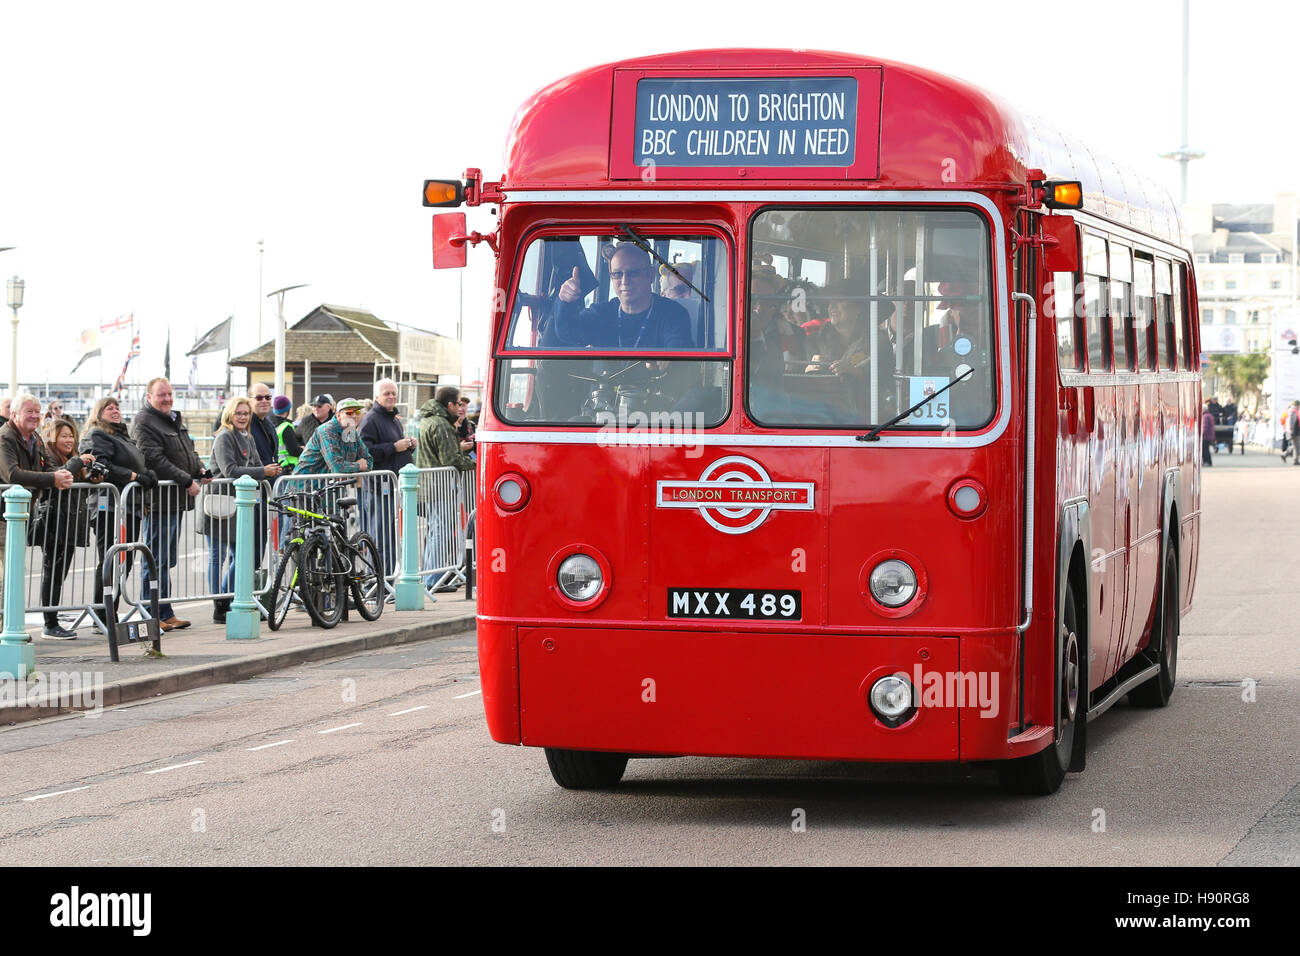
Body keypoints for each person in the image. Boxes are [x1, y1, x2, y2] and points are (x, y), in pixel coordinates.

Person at [131, 377, 207, 631]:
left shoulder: (174, 419)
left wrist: (200, 469)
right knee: (154, 559)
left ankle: (165, 610)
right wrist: (186, 480)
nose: (167, 399)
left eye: (169, 394)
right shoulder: (144, 422)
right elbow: (153, 458)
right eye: (161, 395)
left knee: (167, 559)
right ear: (149, 397)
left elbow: (188, 450)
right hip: (158, 501)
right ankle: (151, 613)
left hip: (175, 502)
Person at [0, 393, 77, 626]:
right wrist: (52, 478)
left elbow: (51, 466)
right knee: (6, 576)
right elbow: (12, 474)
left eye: (37, 411)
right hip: (3, 516)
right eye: (28, 411)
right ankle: (7, 627)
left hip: (19, 516)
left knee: (12, 573)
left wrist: (62, 474)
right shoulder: (5, 438)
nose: (34, 416)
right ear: (14, 414)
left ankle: (8, 624)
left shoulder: (34, 438)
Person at [205, 395, 283, 623]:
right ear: (230, 414)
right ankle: (220, 602)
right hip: (221, 503)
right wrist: (264, 472)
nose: (242, 417)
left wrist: (270, 470)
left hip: (240, 505)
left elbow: (256, 464)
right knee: (218, 556)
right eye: (238, 413)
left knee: (240, 556)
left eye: (245, 413)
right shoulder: (224, 437)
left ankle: (228, 597)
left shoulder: (247, 437)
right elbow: (229, 470)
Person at [81, 395, 156, 615]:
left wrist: (146, 473)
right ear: (99, 413)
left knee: (126, 559)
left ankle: (110, 610)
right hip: (110, 505)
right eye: (109, 408)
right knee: (110, 559)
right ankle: (103, 613)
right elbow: (101, 464)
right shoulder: (98, 435)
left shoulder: (124, 436)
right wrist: (133, 475)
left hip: (130, 505)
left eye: (117, 407)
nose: (115, 411)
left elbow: (135, 461)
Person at [551, 244, 693, 349]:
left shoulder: (673, 314)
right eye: (617, 274)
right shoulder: (601, 313)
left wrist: (668, 361)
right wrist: (565, 302)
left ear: (650, 274)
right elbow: (568, 333)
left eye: (633, 273)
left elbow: (678, 352)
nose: (625, 281)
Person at [37, 418, 103, 638]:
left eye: (71, 435)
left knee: (60, 574)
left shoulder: (69, 459)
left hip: (70, 524)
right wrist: (78, 461)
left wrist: (93, 479)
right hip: (55, 524)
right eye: (64, 435)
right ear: (52, 437)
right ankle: (49, 622)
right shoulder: (48, 456)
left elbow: (79, 484)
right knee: (53, 573)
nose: (69, 439)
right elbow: (59, 476)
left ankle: (52, 617)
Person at [416, 386, 474, 595]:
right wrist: (476, 463)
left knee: (435, 532)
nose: (459, 408)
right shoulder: (441, 425)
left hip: (431, 484)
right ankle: (433, 579)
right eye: (458, 403)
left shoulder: (428, 420)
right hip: (440, 485)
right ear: (449, 404)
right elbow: (451, 459)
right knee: (440, 533)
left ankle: (433, 576)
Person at [359, 378, 416, 578]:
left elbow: (395, 446)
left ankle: (388, 579)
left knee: (391, 537)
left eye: (393, 393)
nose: (391, 396)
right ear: (377, 396)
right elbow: (365, 452)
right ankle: (376, 583)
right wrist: (393, 447)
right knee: (380, 538)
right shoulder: (371, 419)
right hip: (377, 487)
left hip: (392, 487)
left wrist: (408, 445)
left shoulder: (392, 418)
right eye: (386, 393)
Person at [295, 397, 373, 475]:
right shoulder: (327, 430)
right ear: (338, 415)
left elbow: (369, 461)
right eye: (349, 413)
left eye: (357, 412)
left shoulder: (351, 431)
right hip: (307, 484)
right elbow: (337, 466)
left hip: (328, 484)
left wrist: (354, 466)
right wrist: (359, 466)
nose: (355, 416)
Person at [270, 395, 302, 471]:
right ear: (287, 410)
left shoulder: (272, 425)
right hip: (289, 466)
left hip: (278, 466)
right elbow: (293, 451)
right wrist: (302, 449)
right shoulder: (286, 427)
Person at [1201, 400, 1215, 467]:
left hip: (1206, 436)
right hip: (1209, 436)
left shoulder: (1205, 416)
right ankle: (1209, 462)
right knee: (1206, 449)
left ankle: (1206, 462)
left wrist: (1202, 434)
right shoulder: (1209, 415)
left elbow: (1205, 427)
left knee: (1205, 450)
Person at [1288, 401, 1300, 467]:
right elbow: (1293, 423)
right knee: (1296, 447)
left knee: (1295, 446)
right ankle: (1295, 460)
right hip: (1295, 433)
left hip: (1295, 432)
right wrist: (1293, 431)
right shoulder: (1294, 412)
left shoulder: (1294, 412)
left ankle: (1286, 454)